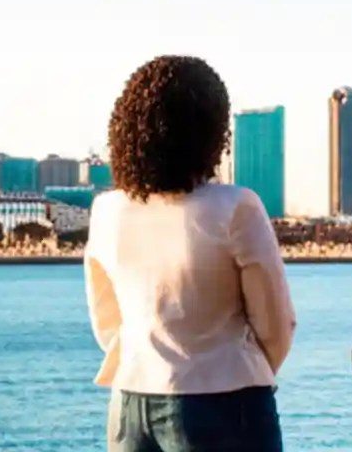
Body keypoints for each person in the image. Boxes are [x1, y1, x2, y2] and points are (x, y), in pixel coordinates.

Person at [84, 55, 296, 452]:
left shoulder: (107, 210)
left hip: (129, 402)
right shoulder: (236, 206)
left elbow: (106, 322)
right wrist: (243, 369)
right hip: (224, 402)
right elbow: (275, 324)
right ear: (212, 132)